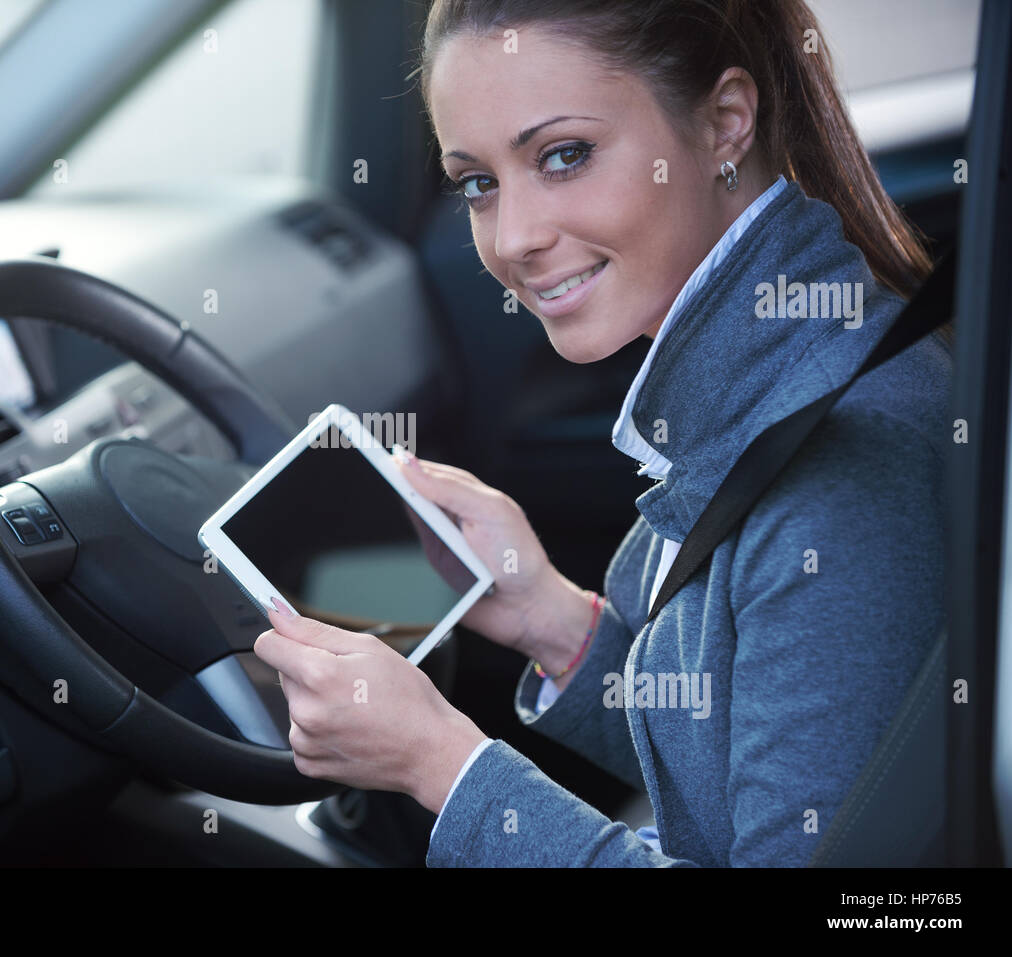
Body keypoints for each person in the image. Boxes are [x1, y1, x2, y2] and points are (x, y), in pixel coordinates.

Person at [252, 0, 951, 866]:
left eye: (564, 156)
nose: (515, 237)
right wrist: (551, 618)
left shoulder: (836, 476)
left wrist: (442, 763)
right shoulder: (785, 368)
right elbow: (756, 756)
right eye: (479, 183)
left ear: (727, 121)